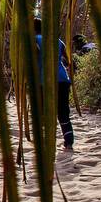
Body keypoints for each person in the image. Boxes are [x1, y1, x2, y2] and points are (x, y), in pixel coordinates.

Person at [34, 17, 74, 150]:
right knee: (63, 112)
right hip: (62, 79)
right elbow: (68, 60)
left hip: (44, 81)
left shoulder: (35, 40)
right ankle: (69, 142)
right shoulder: (58, 41)